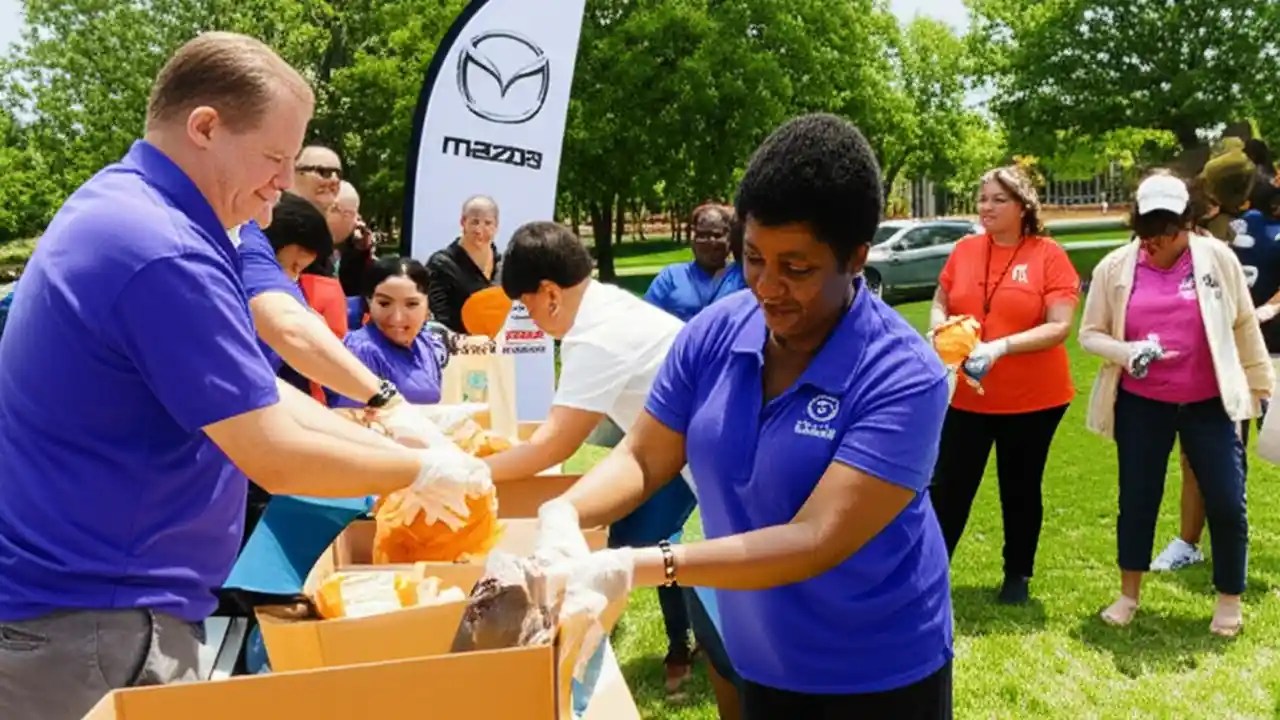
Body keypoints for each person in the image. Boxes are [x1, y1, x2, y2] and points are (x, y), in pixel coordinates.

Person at [0, 33, 491, 720]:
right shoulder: (163, 248)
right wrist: (414, 473)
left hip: (92, 610)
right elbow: (272, 451)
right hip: (92, 622)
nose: (282, 184)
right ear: (205, 127)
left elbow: (257, 393)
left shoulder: (144, 212)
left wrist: (399, 432)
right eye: (275, 158)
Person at [534, 114, 953, 718]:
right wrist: (565, 510)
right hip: (760, 652)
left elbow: (814, 540)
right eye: (754, 258)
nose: (768, 286)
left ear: (857, 258)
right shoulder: (715, 332)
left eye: (798, 268)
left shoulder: (901, 374)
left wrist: (638, 566)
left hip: (876, 670)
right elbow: (644, 455)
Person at [491, 221, 700, 700]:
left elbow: (552, 447)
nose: (532, 319)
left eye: (525, 307)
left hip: (726, 471)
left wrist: (469, 472)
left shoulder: (596, 336)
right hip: (695, 463)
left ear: (548, 294)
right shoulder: (607, 305)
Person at [1078, 171, 1272, 637]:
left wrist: (1259, 385)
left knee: (1227, 499)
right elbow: (1089, 334)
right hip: (1143, 404)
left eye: (1168, 231)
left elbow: (1244, 323)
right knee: (1138, 499)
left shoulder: (1218, 259)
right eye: (1149, 232)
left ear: (1187, 223)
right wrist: (1127, 352)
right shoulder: (1114, 268)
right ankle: (1129, 594)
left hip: (1210, 402)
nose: (1158, 242)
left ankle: (1229, 598)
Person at [926, 165, 1079, 605]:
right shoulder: (965, 249)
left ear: (1022, 206)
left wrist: (999, 348)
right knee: (949, 487)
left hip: (1034, 400)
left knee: (1020, 486)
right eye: (983, 198)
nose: (986, 207)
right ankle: (931, 573)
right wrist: (939, 328)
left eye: (998, 200)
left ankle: (1017, 576)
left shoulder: (1047, 255)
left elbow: (1059, 326)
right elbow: (942, 297)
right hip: (968, 397)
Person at [333, 257, 447, 408]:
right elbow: (352, 419)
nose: (397, 318)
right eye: (384, 304)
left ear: (427, 304)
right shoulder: (361, 350)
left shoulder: (427, 344)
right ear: (369, 302)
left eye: (411, 304)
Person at [644, 203, 748, 321]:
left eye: (717, 235)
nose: (710, 242)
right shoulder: (671, 277)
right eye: (702, 235)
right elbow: (647, 319)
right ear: (693, 241)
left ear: (730, 239)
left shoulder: (742, 277)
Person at [427, 195, 502, 334]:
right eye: (474, 222)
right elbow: (439, 320)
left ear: (496, 226)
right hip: (456, 349)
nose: (480, 230)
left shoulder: (503, 265)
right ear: (463, 222)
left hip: (499, 350)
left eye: (487, 223)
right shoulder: (441, 264)